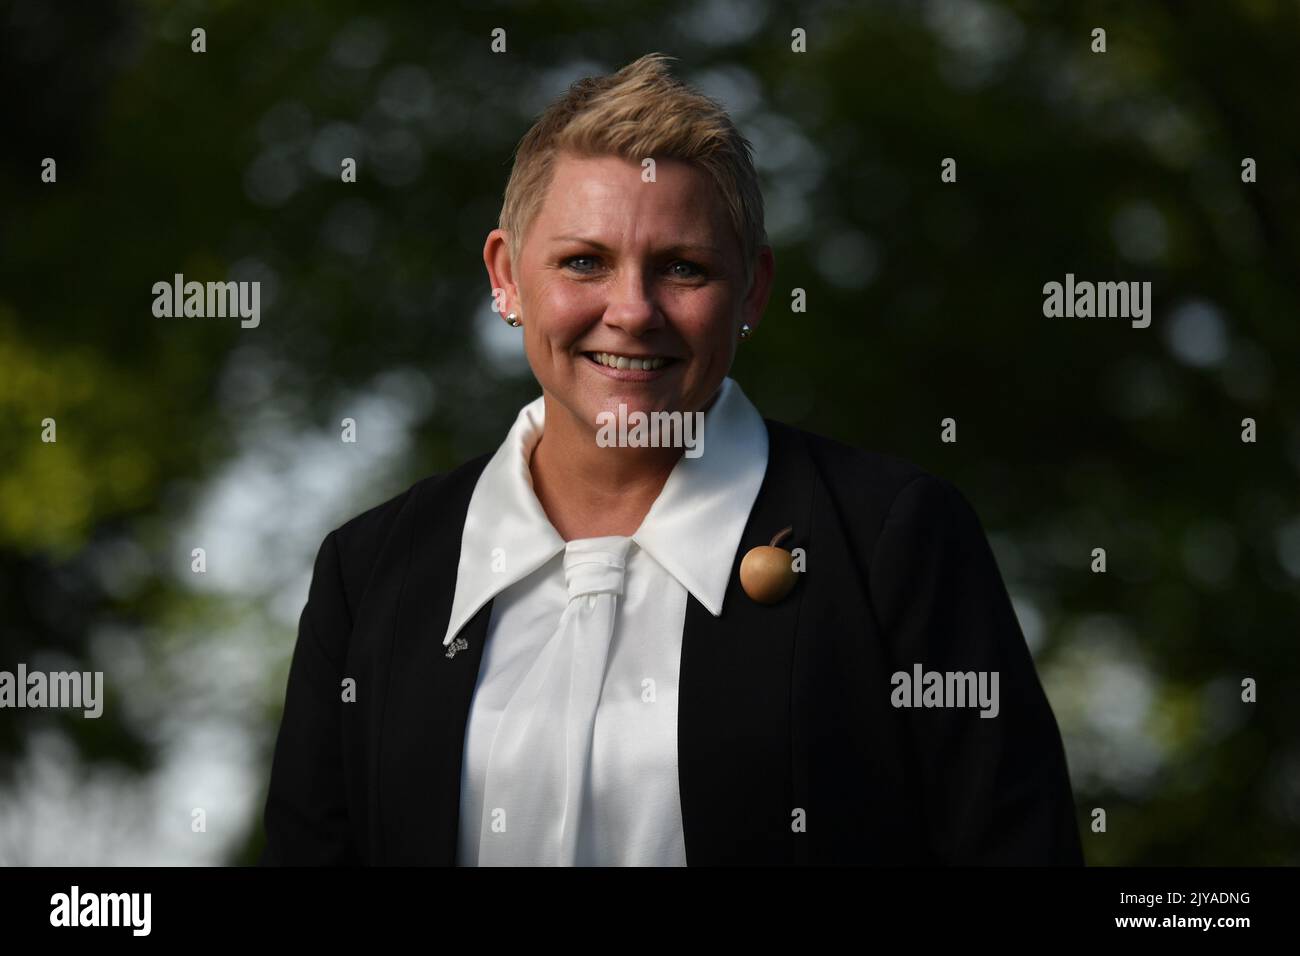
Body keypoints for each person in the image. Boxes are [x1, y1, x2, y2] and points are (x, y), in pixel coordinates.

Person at [261, 52, 1083, 866]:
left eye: (682, 269)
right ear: (507, 277)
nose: (632, 312)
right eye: (584, 261)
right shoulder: (368, 573)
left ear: (754, 289)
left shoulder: (894, 542)